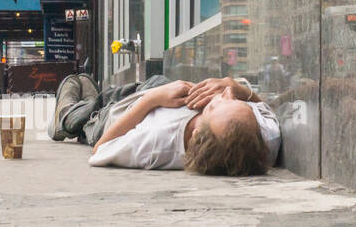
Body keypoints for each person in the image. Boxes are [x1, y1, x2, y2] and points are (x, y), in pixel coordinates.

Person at [49, 73, 280, 174]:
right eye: (238, 102)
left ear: (198, 134)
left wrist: (152, 99)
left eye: (214, 105)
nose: (226, 92)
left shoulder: (155, 143)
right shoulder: (262, 138)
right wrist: (242, 91)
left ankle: (68, 108)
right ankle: (90, 89)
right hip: (160, 86)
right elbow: (266, 111)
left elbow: (101, 149)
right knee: (99, 93)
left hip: (118, 117)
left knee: (78, 115)